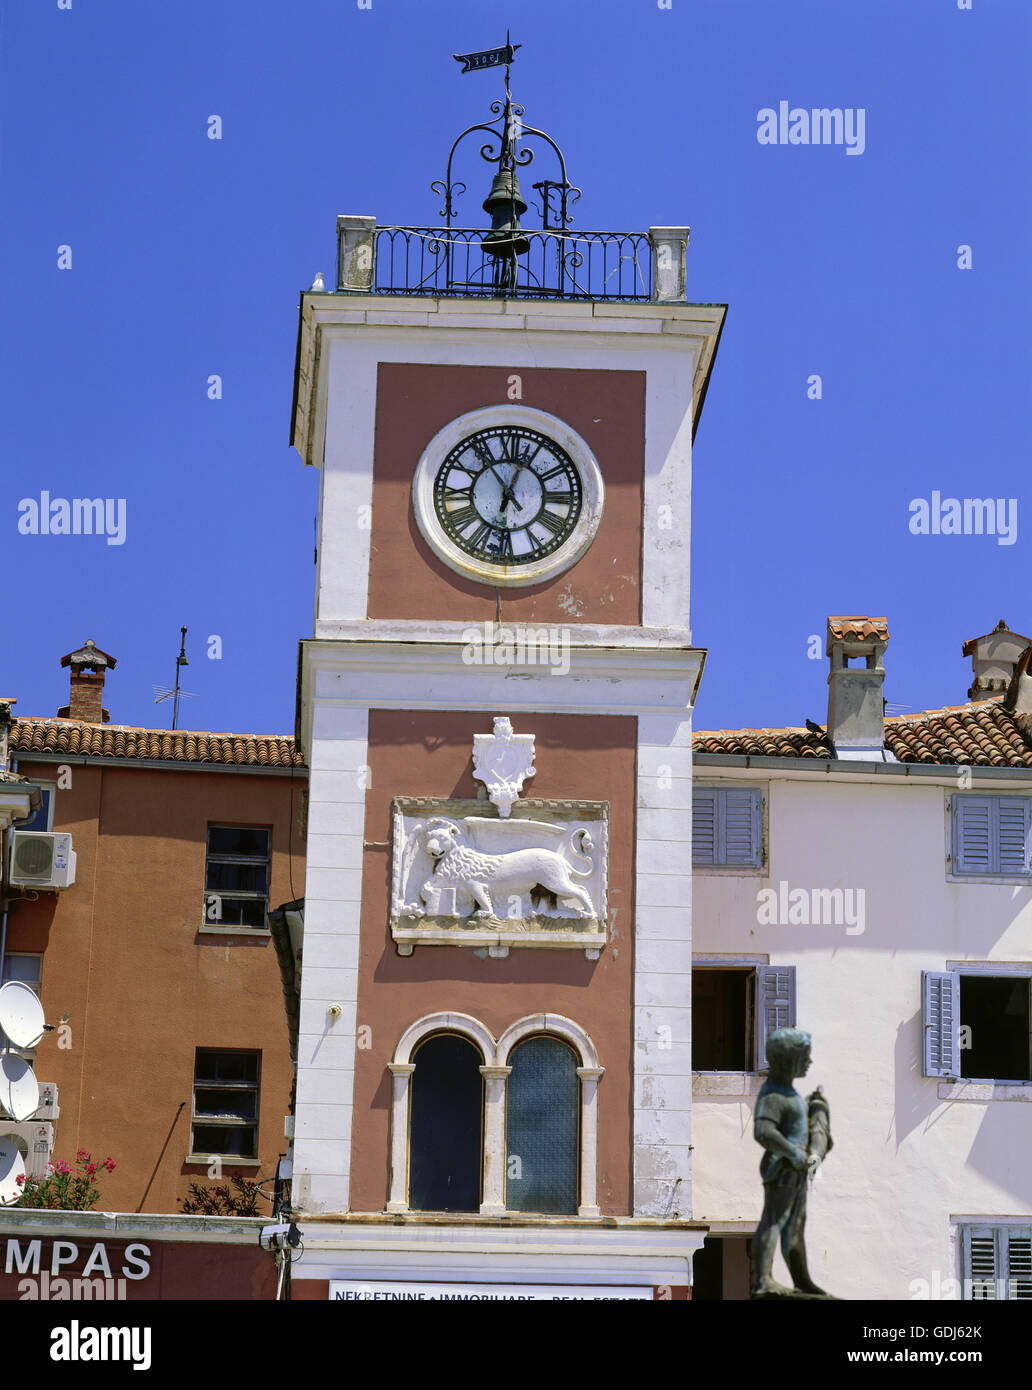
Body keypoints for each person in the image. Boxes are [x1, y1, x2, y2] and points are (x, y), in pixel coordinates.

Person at [750, 1026, 834, 1298]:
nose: (809, 1062)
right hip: (782, 1167)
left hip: (794, 1169)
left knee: (795, 1225)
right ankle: (762, 1280)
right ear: (789, 1060)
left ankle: (802, 1281)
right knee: (774, 1220)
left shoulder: (789, 1092)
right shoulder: (773, 1094)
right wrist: (793, 1152)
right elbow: (763, 1131)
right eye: (805, 1057)